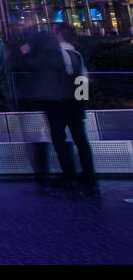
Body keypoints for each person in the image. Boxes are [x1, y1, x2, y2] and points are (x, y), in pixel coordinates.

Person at [36, 23, 95, 187]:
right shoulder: (76, 55)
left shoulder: (50, 54)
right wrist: (82, 102)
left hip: (56, 102)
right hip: (74, 102)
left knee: (59, 138)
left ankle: (69, 175)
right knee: (80, 138)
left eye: (53, 32)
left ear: (58, 35)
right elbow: (83, 78)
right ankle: (88, 174)